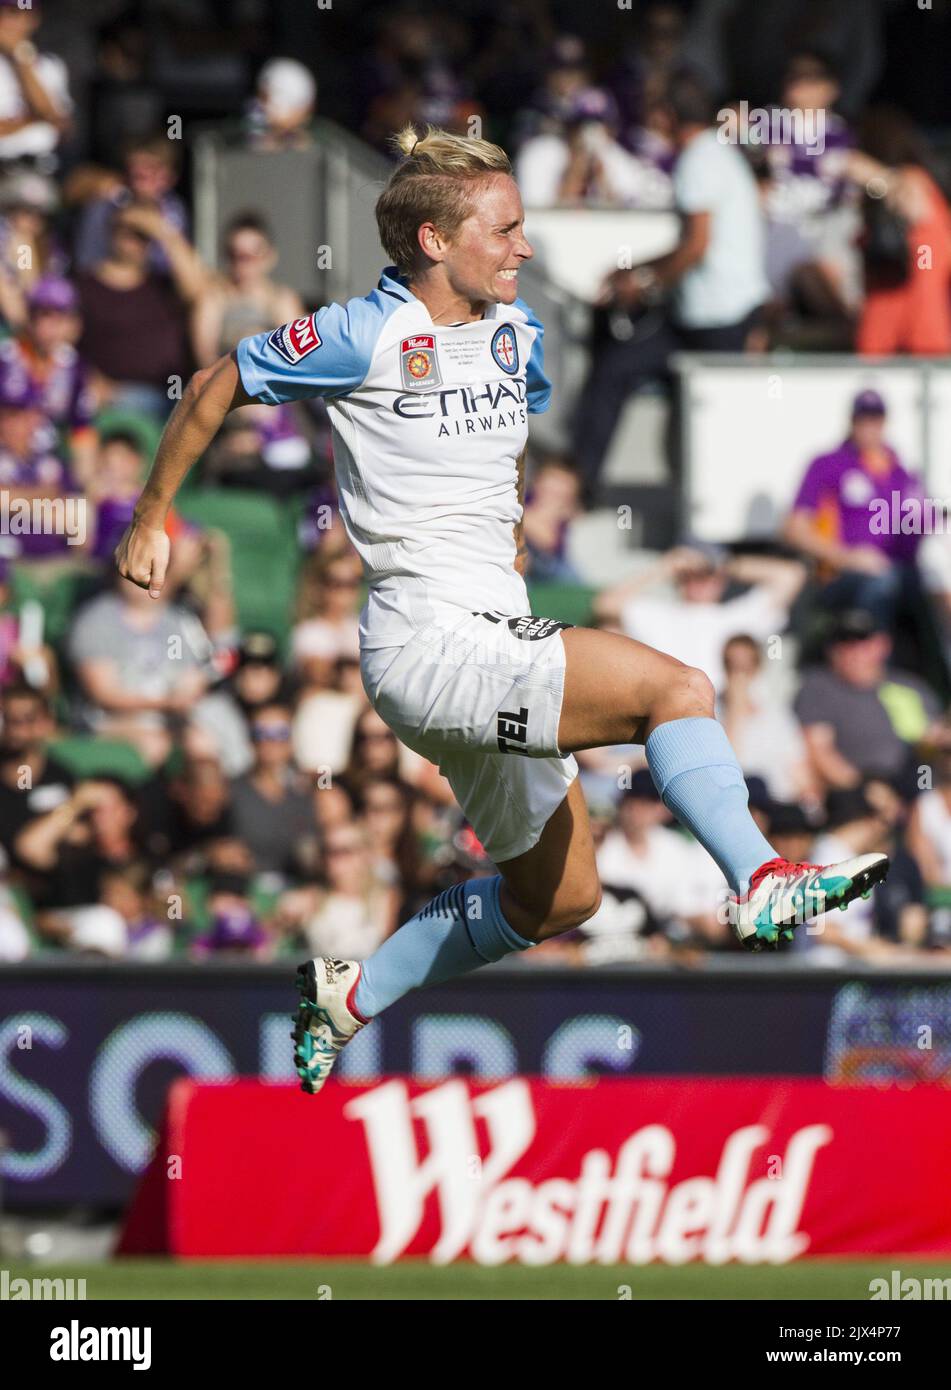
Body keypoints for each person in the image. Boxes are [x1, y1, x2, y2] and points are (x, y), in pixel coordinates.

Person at [115, 124, 888, 1096]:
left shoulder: (517, 331)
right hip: (429, 641)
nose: (527, 247)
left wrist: (514, 528)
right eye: (508, 228)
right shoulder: (365, 332)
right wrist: (152, 516)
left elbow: (508, 439)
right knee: (676, 688)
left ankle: (348, 993)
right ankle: (764, 878)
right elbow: (223, 379)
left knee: (561, 897)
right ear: (437, 241)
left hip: (491, 626)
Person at [572, 73, 770, 498]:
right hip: (712, 315)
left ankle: (583, 489)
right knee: (621, 373)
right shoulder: (718, 153)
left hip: (716, 321)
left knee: (705, 423)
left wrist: (642, 283)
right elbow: (692, 244)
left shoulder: (698, 160)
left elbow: (697, 246)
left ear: (668, 116)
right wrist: (634, 268)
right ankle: (581, 487)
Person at [783, 389, 924, 627]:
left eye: (875, 418)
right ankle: (874, 659)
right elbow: (794, 529)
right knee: (882, 584)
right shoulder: (828, 465)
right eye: (863, 419)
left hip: (903, 570)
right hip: (842, 573)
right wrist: (848, 557)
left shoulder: (902, 471)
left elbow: (928, 524)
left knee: (933, 582)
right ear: (852, 421)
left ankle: (939, 660)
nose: (869, 426)